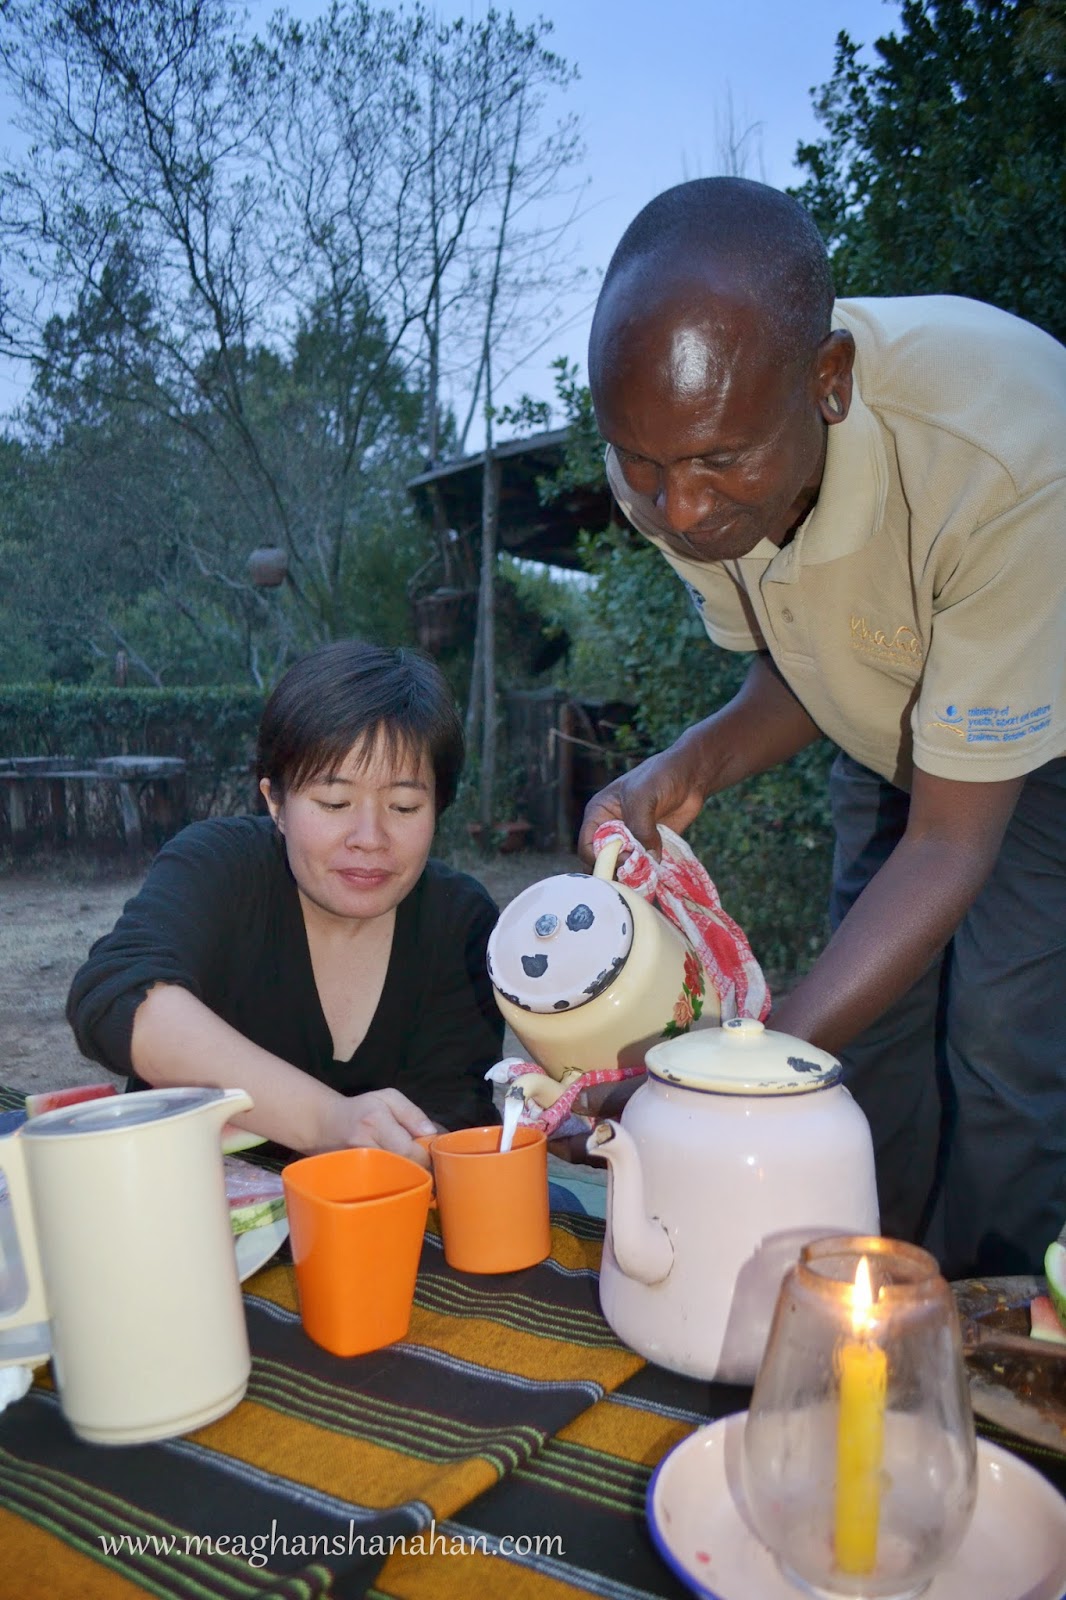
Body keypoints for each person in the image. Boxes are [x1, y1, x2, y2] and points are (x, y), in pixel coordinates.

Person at [580, 176, 1066, 1279]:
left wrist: (736, 1067)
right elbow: (815, 659)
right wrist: (686, 762)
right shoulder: (658, 462)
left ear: (828, 383)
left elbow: (950, 841)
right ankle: (863, 1311)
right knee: (869, 1049)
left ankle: (993, 1353)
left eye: (717, 463)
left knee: (1001, 1047)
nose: (684, 511)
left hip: (1048, 736)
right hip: (888, 732)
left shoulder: (1007, 456)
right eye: (649, 470)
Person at [68, 640, 503, 1165]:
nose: (370, 836)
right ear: (276, 801)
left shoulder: (460, 923)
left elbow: (453, 1123)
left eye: (404, 805)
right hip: (185, 1208)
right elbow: (119, 998)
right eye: (334, 802)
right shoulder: (222, 866)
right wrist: (328, 1121)